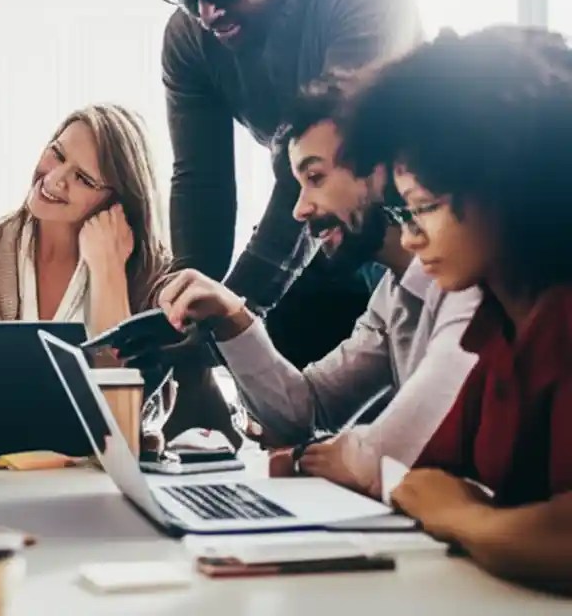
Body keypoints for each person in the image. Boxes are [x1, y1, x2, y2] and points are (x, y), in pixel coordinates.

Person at [157, 80, 481, 497]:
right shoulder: (392, 294)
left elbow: (391, 453)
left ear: (378, 172)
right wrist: (232, 316)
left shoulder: (469, 284)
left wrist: (312, 456)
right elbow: (305, 412)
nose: (299, 209)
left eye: (316, 177)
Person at [343, 26, 572, 593]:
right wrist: (495, 525)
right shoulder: (497, 322)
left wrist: (469, 519)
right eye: (405, 213)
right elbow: (424, 481)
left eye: (428, 207)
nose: (412, 239)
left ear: (511, 186)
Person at [155, 0, 423, 368]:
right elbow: (202, 181)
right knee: (298, 419)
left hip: (413, 235)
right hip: (321, 233)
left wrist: (235, 308)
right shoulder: (188, 40)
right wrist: (188, 307)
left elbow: (332, 154)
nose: (207, 14)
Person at [0, 104, 238, 448]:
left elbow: (123, 423)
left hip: (98, 474)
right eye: (57, 154)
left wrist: (108, 273)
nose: (56, 178)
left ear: (117, 201)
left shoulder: (154, 276)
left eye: (83, 178)